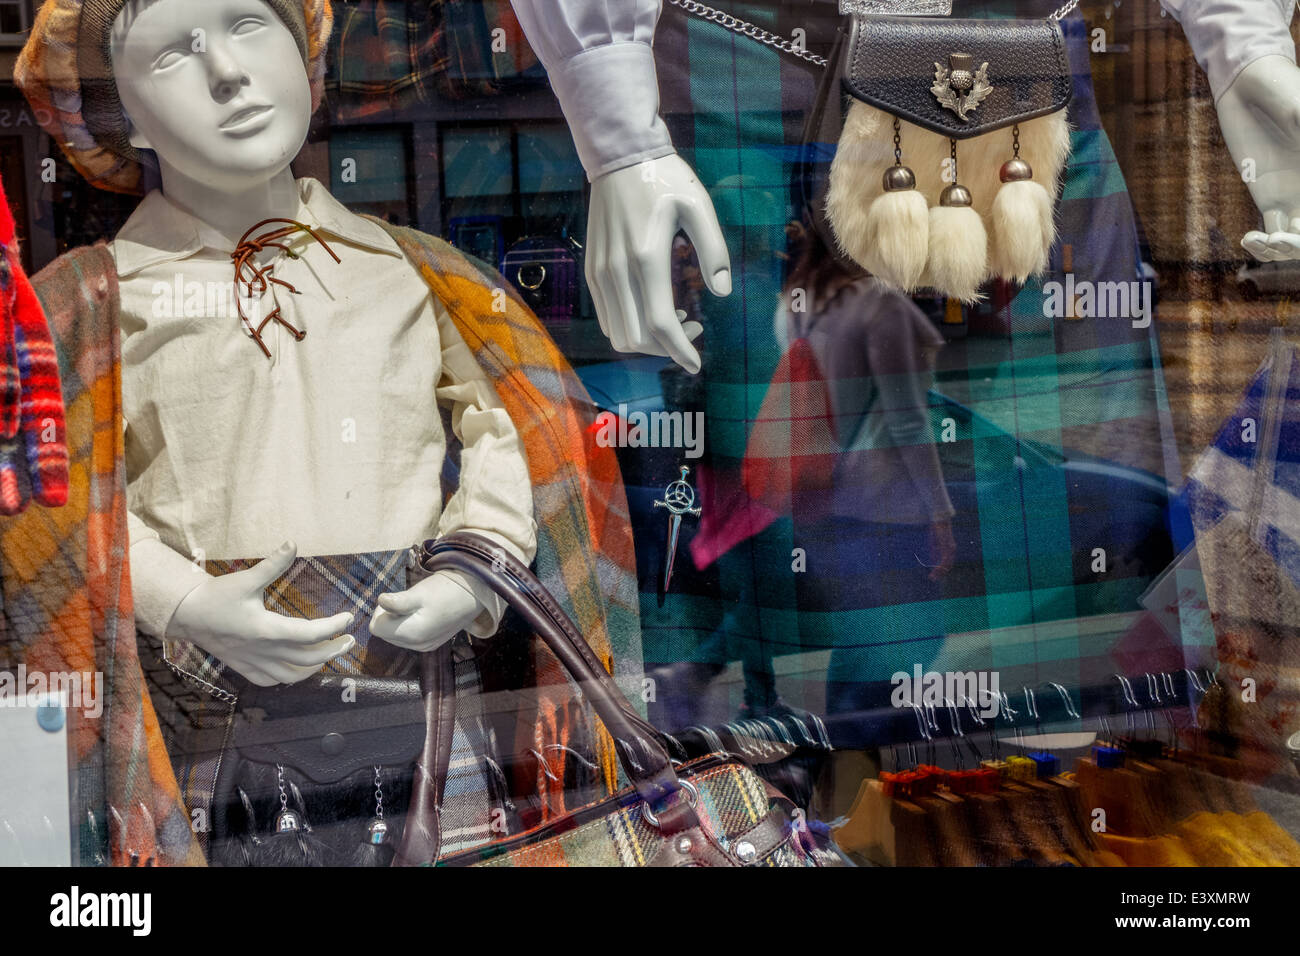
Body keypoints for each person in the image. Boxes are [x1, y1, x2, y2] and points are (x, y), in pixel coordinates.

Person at [9, 0, 640, 865]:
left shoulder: (417, 273)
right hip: (206, 725)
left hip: (426, 705)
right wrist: (182, 601)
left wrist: (478, 566)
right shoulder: (84, 304)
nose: (227, 72)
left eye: (248, 25)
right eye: (172, 57)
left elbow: (513, 434)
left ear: (308, 60)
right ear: (120, 121)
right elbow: (49, 504)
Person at [777, 222, 956, 746]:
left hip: (823, 501)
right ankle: (860, 769)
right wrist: (940, 512)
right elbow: (907, 420)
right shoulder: (878, 302)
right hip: (885, 507)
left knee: (861, 643)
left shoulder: (794, 304)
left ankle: (847, 768)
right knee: (906, 642)